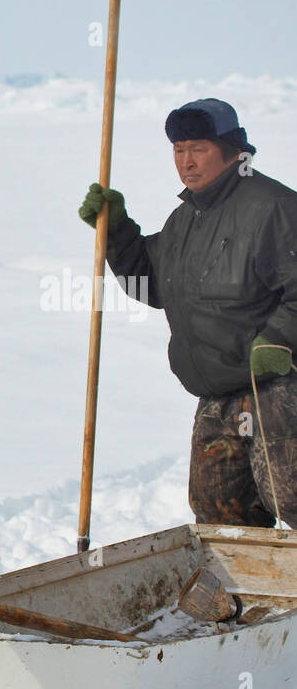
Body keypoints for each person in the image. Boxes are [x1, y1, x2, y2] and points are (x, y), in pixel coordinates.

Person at [80, 98, 296, 527]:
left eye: (197, 148)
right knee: (220, 519)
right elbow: (153, 283)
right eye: (178, 150)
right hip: (216, 394)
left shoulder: (274, 207)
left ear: (233, 149)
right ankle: (252, 596)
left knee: (291, 499)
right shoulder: (186, 219)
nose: (186, 162)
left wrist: (279, 339)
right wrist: (117, 228)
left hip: (276, 388)